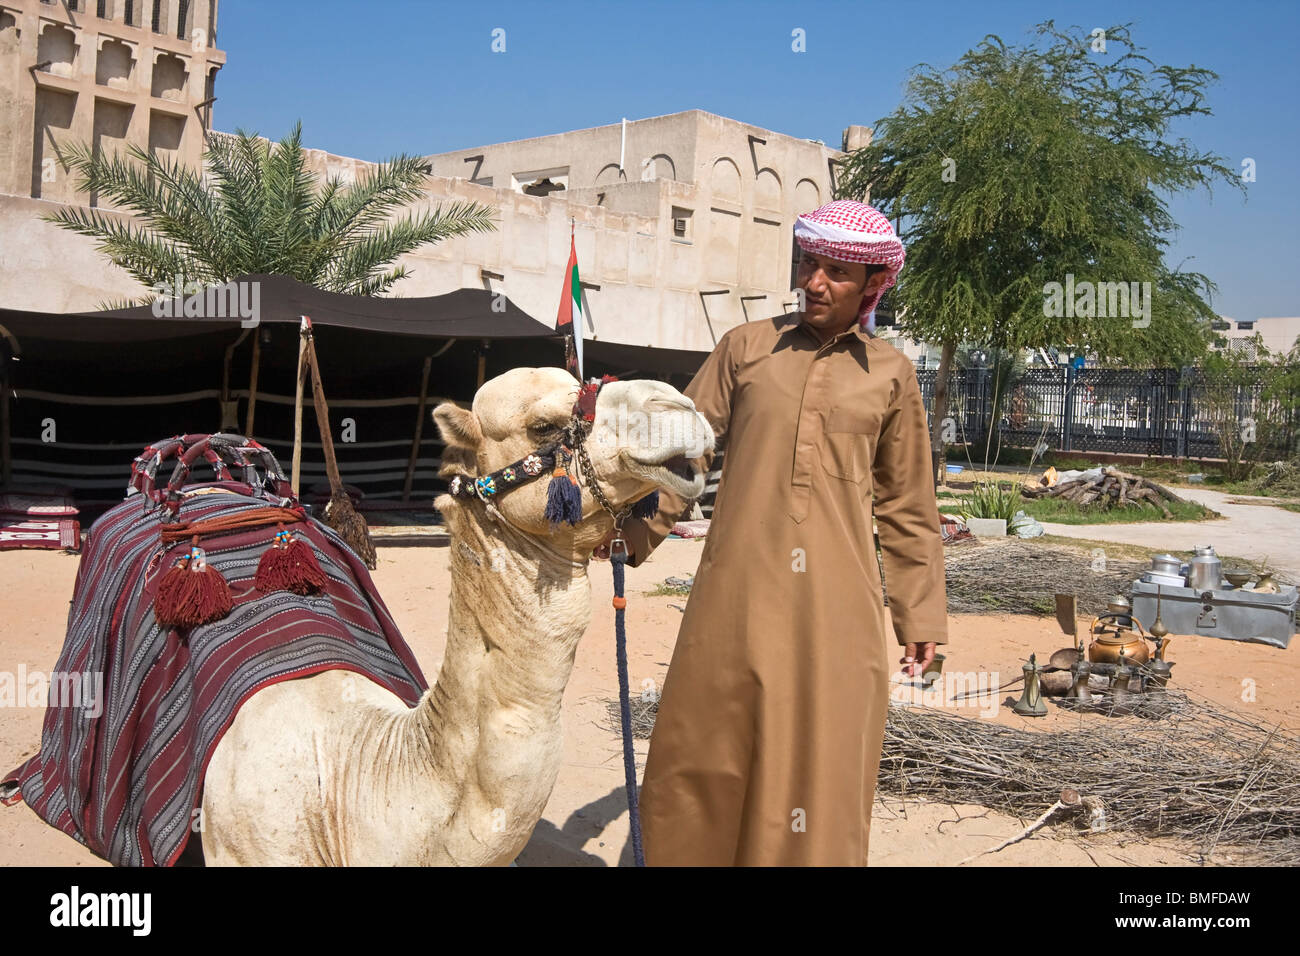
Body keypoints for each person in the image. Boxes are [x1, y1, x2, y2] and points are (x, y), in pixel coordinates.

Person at [615, 199, 948, 865]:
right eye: (808, 264)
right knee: (707, 745)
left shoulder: (890, 373)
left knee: (819, 760)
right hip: (735, 591)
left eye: (834, 271)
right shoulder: (746, 346)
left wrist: (920, 613)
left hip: (839, 604)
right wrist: (630, 530)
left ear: (871, 286)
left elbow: (908, 502)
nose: (814, 281)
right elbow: (685, 451)